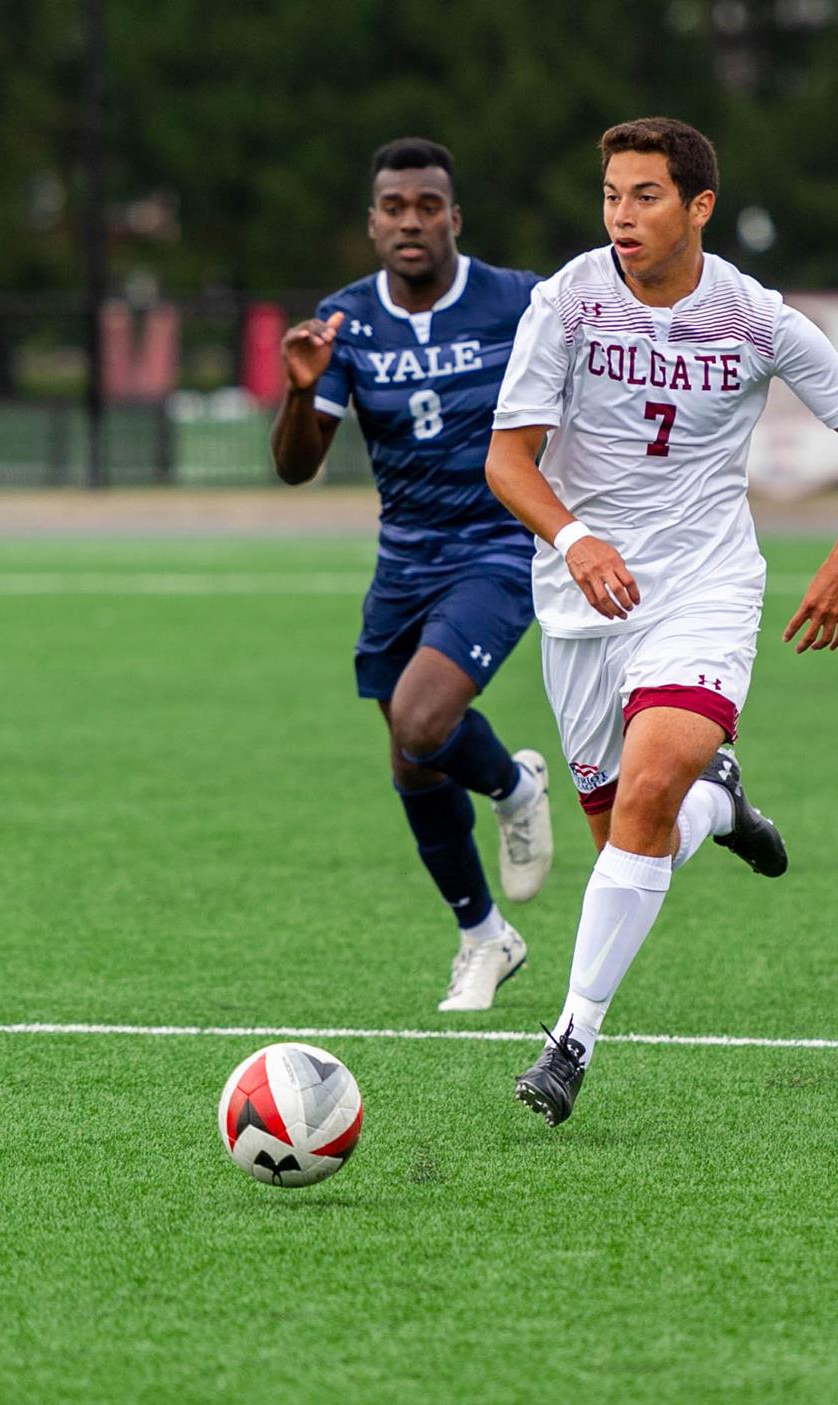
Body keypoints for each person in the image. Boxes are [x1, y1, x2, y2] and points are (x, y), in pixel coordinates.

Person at [485, 117, 838, 1124]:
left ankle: (569, 1040)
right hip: (586, 599)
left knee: (648, 792)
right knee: (633, 836)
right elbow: (507, 461)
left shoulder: (756, 320)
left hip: (704, 585)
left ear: (699, 206)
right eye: (611, 196)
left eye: (645, 195)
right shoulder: (571, 301)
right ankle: (720, 807)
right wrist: (577, 539)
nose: (621, 217)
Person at [270, 138, 556, 1011]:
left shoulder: (520, 300)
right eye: (393, 207)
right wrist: (299, 391)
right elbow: (294, 467)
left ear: (454, 219)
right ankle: (483, 937)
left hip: (500, 545)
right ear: (372, 222)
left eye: (427, 205)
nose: (410, 222)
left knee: (423, 716)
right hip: (403, 561)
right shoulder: (345, 322)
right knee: (410, 761)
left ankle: (512, 784)